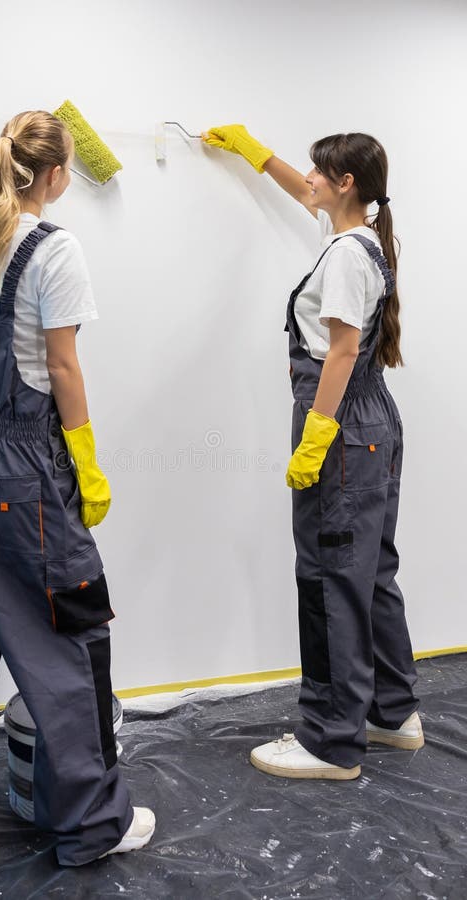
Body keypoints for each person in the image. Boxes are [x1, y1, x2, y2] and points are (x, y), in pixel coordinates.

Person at [0, 110, 154, 868]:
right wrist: (86, 461)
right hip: (18, 474)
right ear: (56, 175)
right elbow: (63, 366)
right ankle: (91, 826)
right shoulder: (53, 247)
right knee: (67, 645)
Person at [202, 126, 423, 779]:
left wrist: (317, 434)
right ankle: (392, 713)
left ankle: (332, 741)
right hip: (371, 422)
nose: (311, 178)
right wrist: (252, 152)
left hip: (342, 425)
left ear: (346, 183)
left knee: (330, 578)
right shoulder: (361, 235)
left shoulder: (348, 256)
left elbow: (343, 350)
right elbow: (302, 193)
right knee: (369, 574)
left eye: (320, 170)